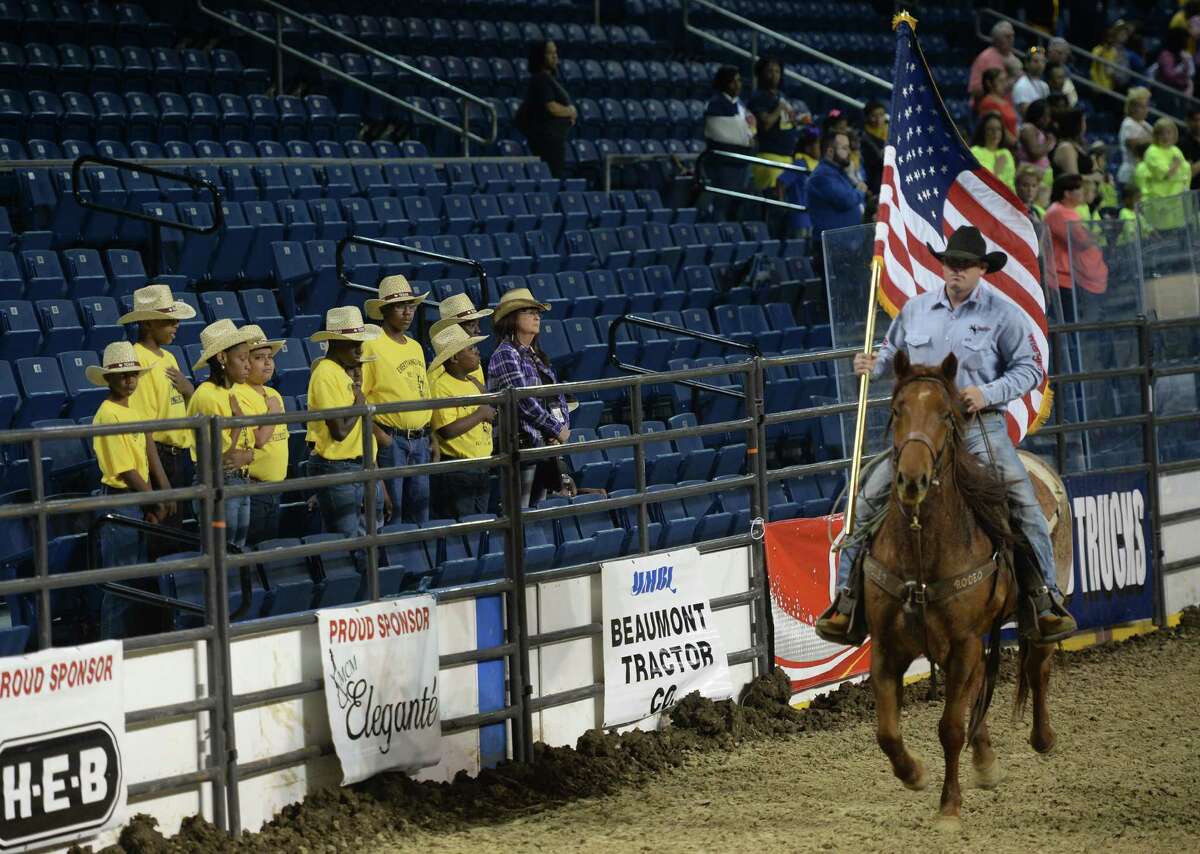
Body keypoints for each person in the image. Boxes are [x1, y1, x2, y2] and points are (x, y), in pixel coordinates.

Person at [814, 226, 1078, 645]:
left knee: (1023, 503)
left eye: (965, 266)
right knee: (867, 499)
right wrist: (873, 363)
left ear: (981, 270)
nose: (956, 272)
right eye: (950, 264)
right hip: (922, 430)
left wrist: (986, 392)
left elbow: (1030, 369)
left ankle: (1045, 597)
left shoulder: (1003, 315)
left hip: (979, 426)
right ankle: (845, 601)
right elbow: (891, 352)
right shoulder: (916, 310)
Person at [88, 341, 164, 638]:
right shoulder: (107, 414)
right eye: (123, 376)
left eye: (134, 375)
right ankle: (113, 645)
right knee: (121, 583)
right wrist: (153, 499)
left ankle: (129, 644)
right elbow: (125, 469)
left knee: (134, 579)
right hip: (121, 499)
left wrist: (151, 498)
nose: (130, 381)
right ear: (109, 378)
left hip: (134, 498)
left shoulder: (130, 410)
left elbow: (144, 454)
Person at [119, 284, 195, 554]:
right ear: (148, 322)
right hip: (159, 459)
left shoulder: (170, 356)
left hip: (177, 455)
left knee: (174, 539)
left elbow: (183, 408)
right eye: (169, 320)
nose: (176, 325)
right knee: (161, 541)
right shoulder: (137, 360)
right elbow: (145, 430)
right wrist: (161, 485)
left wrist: (189, 392)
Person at [487, 288, 571, 509]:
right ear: (512, 319)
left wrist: (560, 427)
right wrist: (555, 428)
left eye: (537, 312)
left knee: (538, 509)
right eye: (528, 312)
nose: (537, 317)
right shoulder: (506, 353)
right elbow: (522, 400)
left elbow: (556, 395)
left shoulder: (536, 356)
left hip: (540, 444)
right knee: (519, 510)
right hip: (519, 444)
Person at [362, 275, 436, 525]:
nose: (408, 312)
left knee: (421, 512)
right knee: (394, 513)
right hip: (391, 438)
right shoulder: (371, 346)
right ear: (384, 310)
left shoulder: (415, 346)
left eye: (412, 306)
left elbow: (422, 391)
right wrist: (379, 435)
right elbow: (358, 396)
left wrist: (432, 435)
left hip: (420, 437)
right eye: (400, 306)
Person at [305, 307, 381, 540]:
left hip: (358, 463)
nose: (359, 350)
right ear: (334, 343)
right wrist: (359, 403)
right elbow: (339, 431)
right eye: (353, 344)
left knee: (368, 536)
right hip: (337, 465)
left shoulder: (341, 372)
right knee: (346, 540)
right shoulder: (325, 373)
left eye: (360, 343)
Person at [187, 320, 257, 552]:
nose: (248, 365)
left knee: (236, 550)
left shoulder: (231, 391)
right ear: (222, 358)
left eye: (248, 358)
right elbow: (223, 456)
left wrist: (248, 456)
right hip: (219, 480)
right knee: (221, 551)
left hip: (239, 478)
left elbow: (246, 446)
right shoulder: (207, 396)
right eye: (242, 358)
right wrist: (236, 424)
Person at [429, 325, 496, 520]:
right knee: (462, 524)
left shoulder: (472, 383)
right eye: (470, 349)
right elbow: (446, 430)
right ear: (454, 358)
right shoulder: (441, 386)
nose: (477, 352)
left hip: (481, 464)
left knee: (480, 521)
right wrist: (481, 414)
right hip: (458, 468)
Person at [233, 326, 288, 547]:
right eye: (259, 358)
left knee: (269, 547)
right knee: (253, 547)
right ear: (246, 362)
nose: (267, 363)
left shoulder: (273, 394)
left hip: (275, 487)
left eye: (270, 357)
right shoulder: (239, 394)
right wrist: (273, 412)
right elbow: (259, 439)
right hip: (254, 489)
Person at [1044, 174, 1108, 319]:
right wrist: (1100, 235)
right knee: (1070, 325)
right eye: (1080, 189)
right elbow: (1082, 242)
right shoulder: (1058, 212)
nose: (1084, 193)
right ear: (1067, 193)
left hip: (1074, 277)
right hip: (1061, 278)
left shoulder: (1069, 212)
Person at [699, 65, 757, 222]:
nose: (738, 85)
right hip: (723, 164)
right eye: (733, 81)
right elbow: (724, 132)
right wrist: (745, 132)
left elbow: (751, 128)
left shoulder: (740, 104)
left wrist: (747, 132)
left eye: (739, 81)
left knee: (738, 208)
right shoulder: (715, 103)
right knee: (721, 206)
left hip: (741, 163)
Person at [748, 56, 810, 190]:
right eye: (770, 71)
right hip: (769, 158)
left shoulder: (781, 96)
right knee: (772, 204)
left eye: (777, 71)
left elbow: (784, 122)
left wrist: (797, 121)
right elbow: (765, 124)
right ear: (761, 73)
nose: (774, 75)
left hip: (787, 157)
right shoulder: (759, 97)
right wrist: (779, 108)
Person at [518, 40, 576, 179]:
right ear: (540, 57)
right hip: (548, 142)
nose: (555, 56)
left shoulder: (548, 78)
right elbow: (551, 107)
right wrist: (571, 111)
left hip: (555, 140)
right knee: (553, 178)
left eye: (555, 52)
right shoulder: (541, 79)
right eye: (550, 53)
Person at [806, 130, 867, 245]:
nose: (849, 152)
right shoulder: (822, 175)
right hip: (832, 246)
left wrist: (853, 178)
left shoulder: (841, 172)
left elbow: (860, 196)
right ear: (830, 152)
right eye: (844, 148)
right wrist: (860, 190)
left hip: (848, 243)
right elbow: (846, 201)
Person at [428, 292, 493, 386]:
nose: (478, 330)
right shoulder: (440, 370)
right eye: (472, 325)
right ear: (454, 329)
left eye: (477, 324)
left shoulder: (474, 359)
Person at [1141, 117, 1190, 230]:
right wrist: (1175, 165)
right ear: (1155, 136)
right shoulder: (1152, 152)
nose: (1165, 136)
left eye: (1169, 132)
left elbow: (1185, 174)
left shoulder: (1176, 150)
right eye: (1161, 133)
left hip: (1177, 205)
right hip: (1160, 205)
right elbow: (1166, 174)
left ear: (1174, 134)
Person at [969, 20, 1015, 102]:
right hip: (989, 108)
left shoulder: (1013, 58)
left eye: (1012, 36)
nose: (1011, 40)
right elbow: (975, 90)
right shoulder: (984, 58)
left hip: (1008, 107)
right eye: (1007, 37)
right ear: (996, 39)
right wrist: (1005, 85)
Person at [970, 112, 1016, 190]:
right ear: (983, 131)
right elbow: (980, 182)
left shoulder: (1006, 153)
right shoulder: (975, 151)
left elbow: (1010, 182)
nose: (995, 133)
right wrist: (997, 170)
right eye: (990, 129)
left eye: (998, 129)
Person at [1118, 87, 1153, 186]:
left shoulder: (1145, 124)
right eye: (1142, 106)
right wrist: (1153, 140)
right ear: (1132, 107)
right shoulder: (1128, 124)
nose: (1146, 110)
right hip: (1131, 173)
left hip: (1143, 173)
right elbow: (1135, 146)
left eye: (1147, 106)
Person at [975, 68, 1018, 143]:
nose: (1005, 84)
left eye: (1005, 80)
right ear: (989, 83)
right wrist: (1014, 143)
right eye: (1001, 81)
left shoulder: (1006, 101)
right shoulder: (988, 102)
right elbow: (997, 128)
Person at [1090, 20, 1131, 92]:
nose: (1122, 34)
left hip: (1108, 90)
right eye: (1120, 31)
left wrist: (1114, 73)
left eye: (1125, 33)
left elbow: (1124, 79)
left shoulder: (1123, 55)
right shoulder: (1100, 47)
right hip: (1092, 83)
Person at [1154, 26, 1195, 98]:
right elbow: (1170, 76)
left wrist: (1189, 85)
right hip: (1164, 92)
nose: (1187, 42)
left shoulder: (1185, 55)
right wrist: (1185, 65)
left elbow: (1190, 76)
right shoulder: (1166, 55)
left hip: (1179, 94)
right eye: (1185, 40)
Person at [859, 100, 888, 194]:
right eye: (874, 116)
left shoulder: (892, 131)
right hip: (876, 180)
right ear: (867, 117)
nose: (878, 119)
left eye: (881, 115)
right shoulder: (863, 137)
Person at [1012, 48, 1050, 116]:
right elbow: (1026, 114)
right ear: (1026, 63)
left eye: (1043, 61)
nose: (1040, 64)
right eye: (1036, 61)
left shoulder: (1044, 85)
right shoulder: (1022, 85)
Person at [1174, 106, 1200, 190]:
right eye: (1195, 120)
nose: (1198, 124)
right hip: (1192, 192)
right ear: (1187, 121)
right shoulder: (1182, 144)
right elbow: (1188, 173)